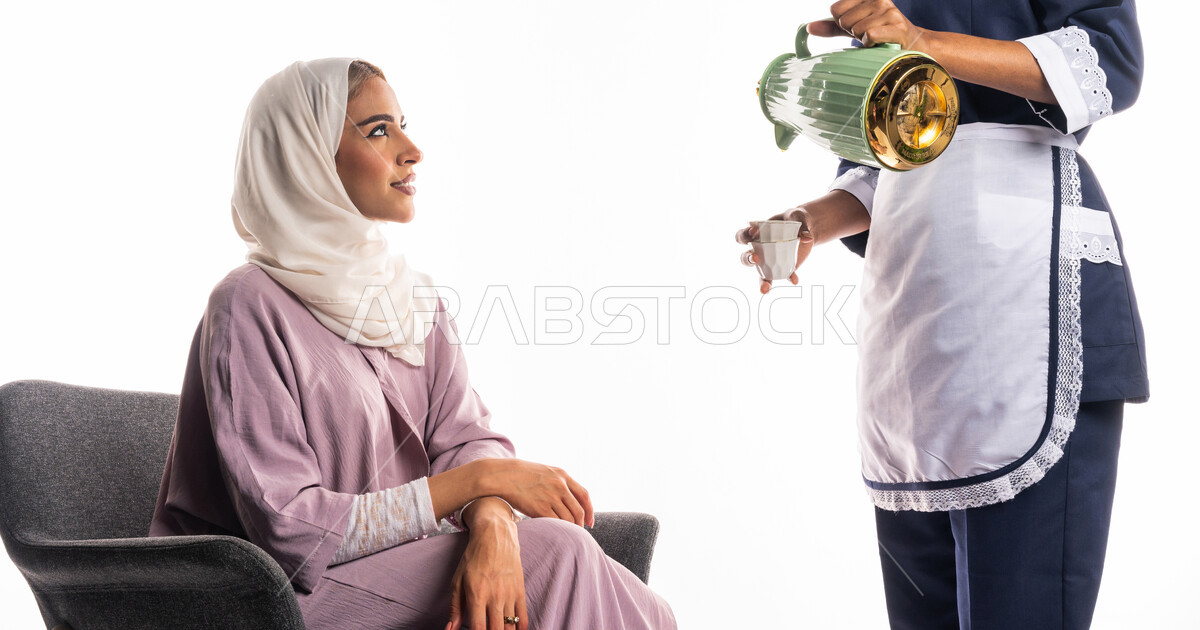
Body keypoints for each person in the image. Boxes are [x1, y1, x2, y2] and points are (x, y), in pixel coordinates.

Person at [148, 57, 676, 630]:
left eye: (403, 124)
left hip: (391, 566)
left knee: (644, 603)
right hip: (267, 597)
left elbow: (469, 441)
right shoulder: (248, 303)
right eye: (379, 130)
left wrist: (493, 523)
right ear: (307, 157)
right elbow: (289, 528)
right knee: (558, 557)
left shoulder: (412, 302)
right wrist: (476, 485)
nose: (412, 149)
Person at [736, 1, 1146, 628]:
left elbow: (1107, 61)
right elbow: (885, 154)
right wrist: (808, 223)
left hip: (1034, 307)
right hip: (915, 334)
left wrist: (920, 39)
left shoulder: (905, 21)